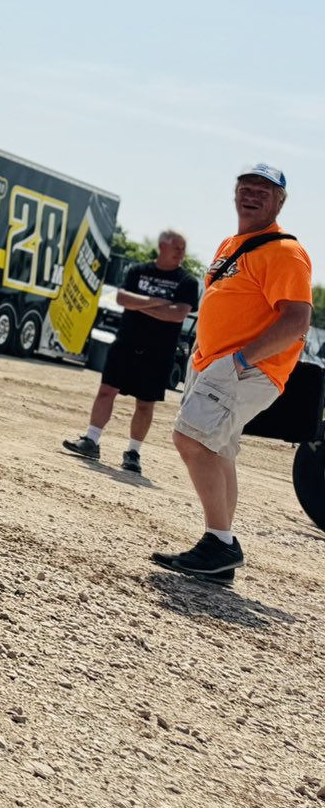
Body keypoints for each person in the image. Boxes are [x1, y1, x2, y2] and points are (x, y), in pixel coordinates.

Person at [152, 165, 313, 582]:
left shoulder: (284, 251)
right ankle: (218, 550)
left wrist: (240, 361)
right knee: (218, 449)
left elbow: (296, 321)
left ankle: (220, 543)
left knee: (190, 437)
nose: (253, 194)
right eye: (246, 187)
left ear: (280, 201)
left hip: (243, 370)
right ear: (235, 193)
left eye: (264, 190)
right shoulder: (233, 245)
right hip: (213, 366)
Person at [63, 230, 197, 474]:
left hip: (159, 351)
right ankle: (91, 440)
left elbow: (177, 314)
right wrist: (158, 302)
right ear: (162, 247)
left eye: (183, 249)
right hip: (125, 344)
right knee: (106, 391)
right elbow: (123, 299)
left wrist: (142, 304)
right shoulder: (138, 271)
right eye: (177, 248)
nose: (181, 253)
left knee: (145, 403)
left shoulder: (187, 281)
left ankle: (133, 453)